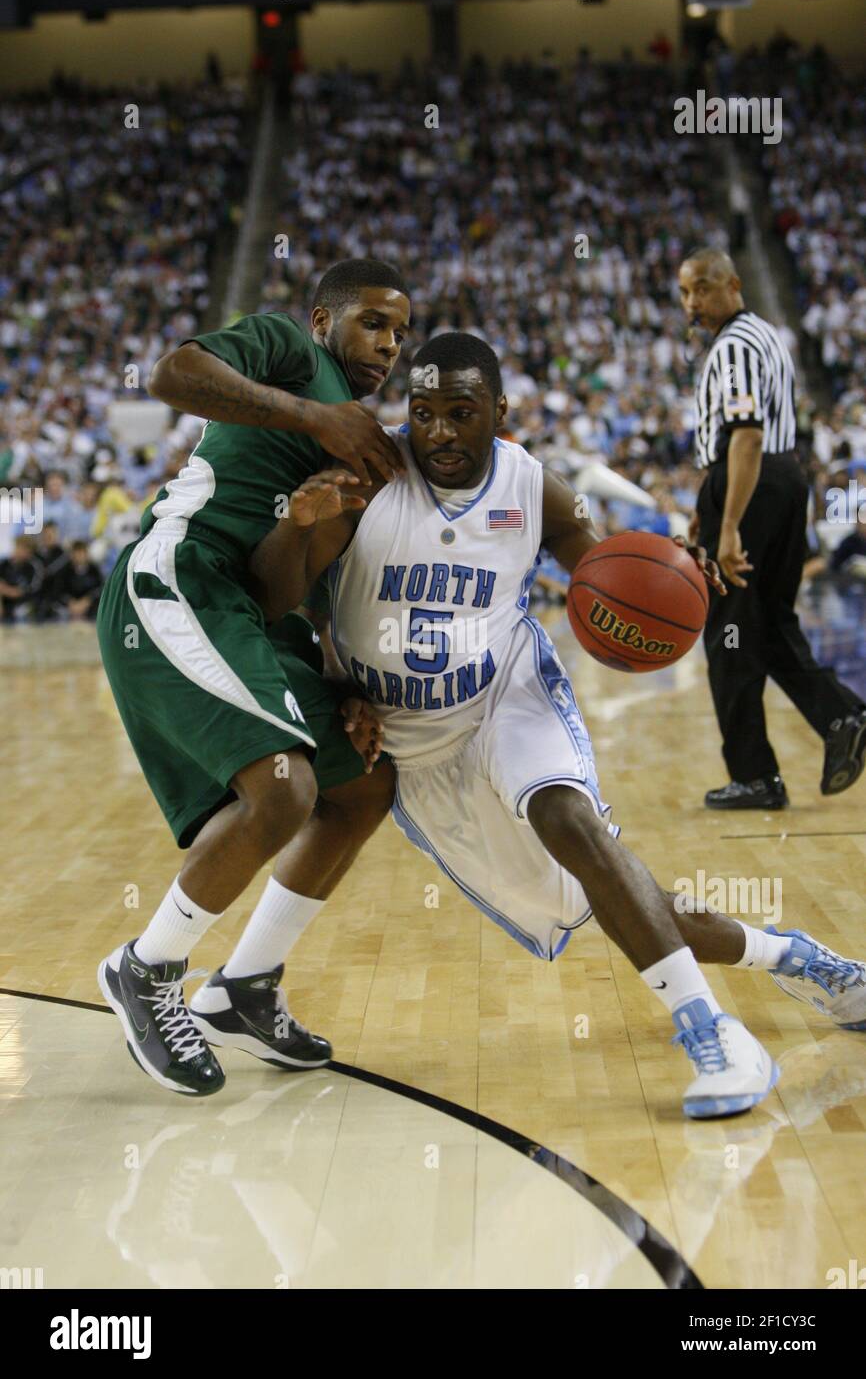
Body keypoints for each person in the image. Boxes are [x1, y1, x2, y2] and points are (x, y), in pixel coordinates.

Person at [241, 333, 866, 1120]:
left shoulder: (533, 487)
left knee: (567, 816)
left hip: (507, 693)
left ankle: (711, 1031)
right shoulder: (366, 481)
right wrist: (300, 534)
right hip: (418, 746)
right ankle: (794, 956)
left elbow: (609, 571)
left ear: (499, 414)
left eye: (460, 413)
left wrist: (667, 575)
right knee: (606, 901)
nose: (437, 431)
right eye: (423, 412)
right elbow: (279, 601)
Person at [96, 259, 411, 1097]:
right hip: (180, 577)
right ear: (321, 321)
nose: (389, 343)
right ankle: (147, 967)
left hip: (251, 611)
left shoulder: (363, 453)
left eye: (400, 333)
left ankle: (244, 986)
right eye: (375, 323)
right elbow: (173, 374)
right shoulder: (282, 348)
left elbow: (284, 590)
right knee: (282, 790)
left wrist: (344, 680)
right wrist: (317, 420)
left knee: (364, 784)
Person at [679, 248, 866, 808]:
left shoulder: (733, 346)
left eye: (703, 289)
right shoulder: (764, 335)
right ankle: (841, 715)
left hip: (753, 483)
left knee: (729, 630)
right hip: (782, 482)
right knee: (770, 621)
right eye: (686, 293)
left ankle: (756, 776)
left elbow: (747, 436)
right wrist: (704, 506)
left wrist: (728, 523)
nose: (693, 303)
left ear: (734, 283)